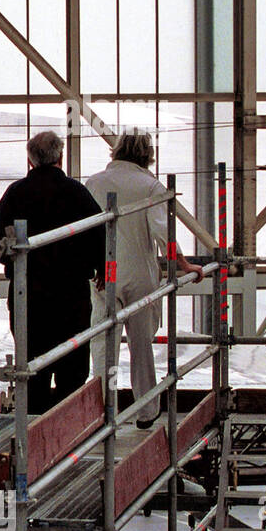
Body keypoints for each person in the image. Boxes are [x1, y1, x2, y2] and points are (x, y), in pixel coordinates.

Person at [85, 129, 203, 428]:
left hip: (103, 273)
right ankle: (147, 410)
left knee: (103, 344)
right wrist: (185, 265)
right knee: (141, 346)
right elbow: (165, 235)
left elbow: (86, 230)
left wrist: (92, 268)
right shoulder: (150, 186)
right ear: (147, 155)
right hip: (140, 274)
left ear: (117, 151)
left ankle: (103, 408)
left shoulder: (93, 183)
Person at [0, 130, 105, 415]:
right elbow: (100, 235)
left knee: (32, 370)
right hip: (71, 296)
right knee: (72, 369)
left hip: (29, 295)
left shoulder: (15, 194)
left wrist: (16, 265)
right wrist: (99, 269)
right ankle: (68, 434)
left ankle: (32, 433)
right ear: (61, 158)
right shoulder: (78, 193)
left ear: (29, 160)